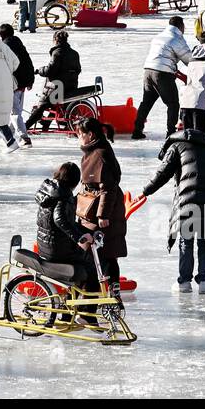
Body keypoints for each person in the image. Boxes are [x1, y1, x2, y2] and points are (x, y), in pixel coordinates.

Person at [141, 126, 205, 294]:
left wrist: (145, 190)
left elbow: (163, 172)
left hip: (188, 200)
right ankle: (204, 281)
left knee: (186, 240)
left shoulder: (176, 145)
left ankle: (184, 282)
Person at [75, 119, 128, 290]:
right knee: (105, 254)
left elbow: (108, 188)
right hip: (94, 210)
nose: (78, 137)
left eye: (80, 134)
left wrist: (102, 215)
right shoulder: (94, 151)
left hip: (102, 214)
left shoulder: (99, 154)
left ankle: (101, 295)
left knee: (100, 254)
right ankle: (109, 293)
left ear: (90, 135)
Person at [35, 162, 95, 287]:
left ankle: (72, 296)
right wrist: (79, 237)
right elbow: (60, 220)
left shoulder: (50, 191)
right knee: (89, 263)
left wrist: (87, 233)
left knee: (82, 262)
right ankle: (87, 305)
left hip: (45, 246)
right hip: (58, 249)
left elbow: (67, 222)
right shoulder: (63, 195)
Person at [131, 16, 191, 140]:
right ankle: (171, 133)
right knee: (173, 104)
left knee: (146, 102)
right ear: (180, 26)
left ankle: (137, 130)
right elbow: (188, 59)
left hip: (148, 71)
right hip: (162, 74)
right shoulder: (176, 38)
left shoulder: (159, 36)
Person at [27, 29, 82, 129]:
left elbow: (49, 70)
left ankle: (26, 126)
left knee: (43, 104)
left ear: (55, 40)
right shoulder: (74, 53)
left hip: (59, 88)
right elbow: (78, 70)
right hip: (71, 86)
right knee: (53, 101)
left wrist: (39, 70)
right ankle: (46, 124)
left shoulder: (57, 53)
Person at [178, 31, 205, 134]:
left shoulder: (191, 59)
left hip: (185, 102)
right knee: (200, 138)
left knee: (189, 138)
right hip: (201, 104)